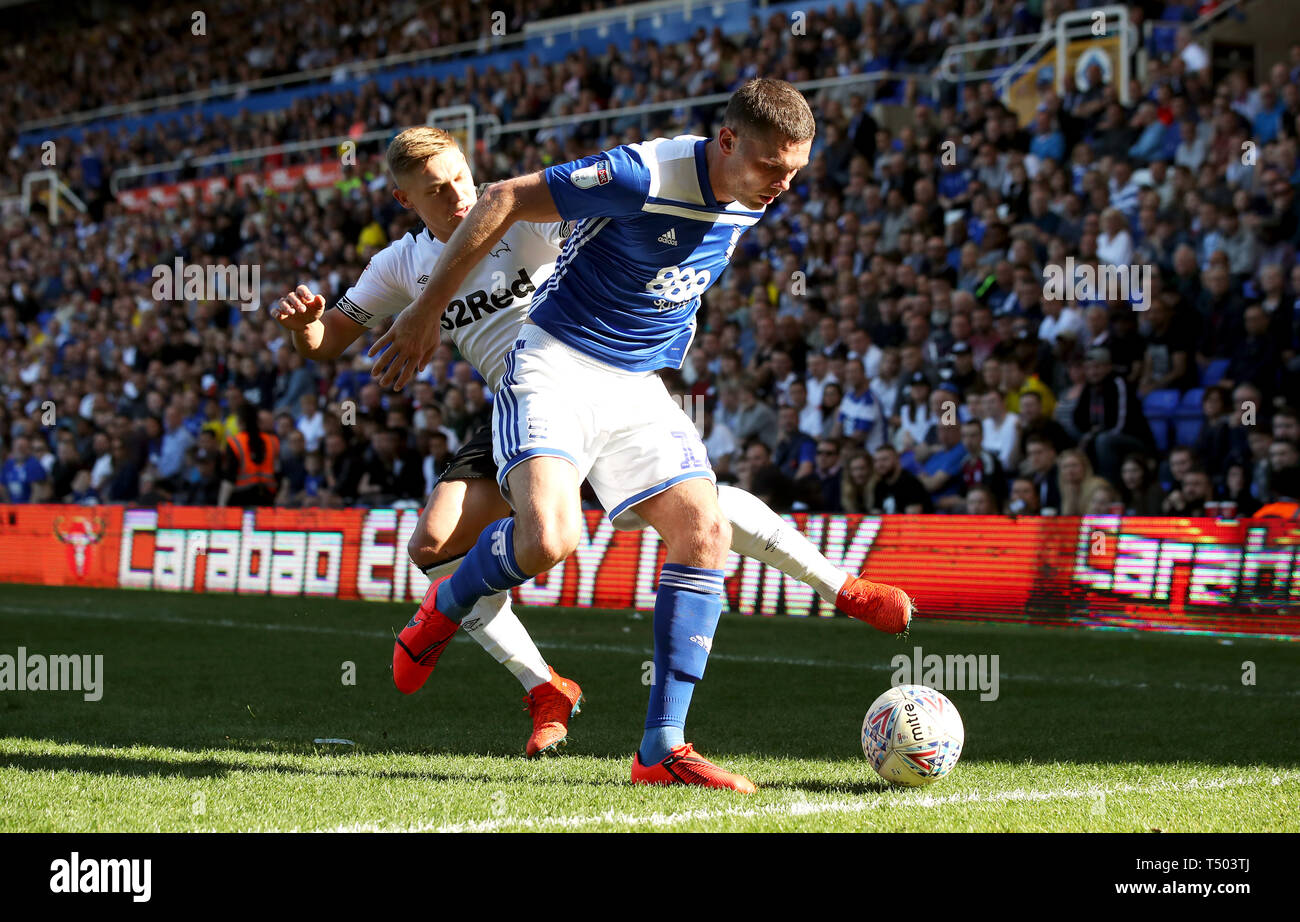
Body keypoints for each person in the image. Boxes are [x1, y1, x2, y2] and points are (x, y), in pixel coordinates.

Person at [279, 106, 910, 785]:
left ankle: (662, 747)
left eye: (459, 176)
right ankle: (503, 653)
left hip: (623, 378)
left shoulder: (742, 191)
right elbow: (330, 343)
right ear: (405, 199)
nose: (456, 194)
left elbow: (585, 229)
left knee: (705, 526)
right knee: (512, 541)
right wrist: (316, 326)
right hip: (541, 375)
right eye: (435, 189)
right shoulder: (406, 262)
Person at [219, 402, 280, 507]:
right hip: (267, 498)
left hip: (242, 499)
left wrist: (221, 505)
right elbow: (278, 471)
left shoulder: (235, 442)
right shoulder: (273, 441)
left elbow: (230, 477)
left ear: (240, 421)